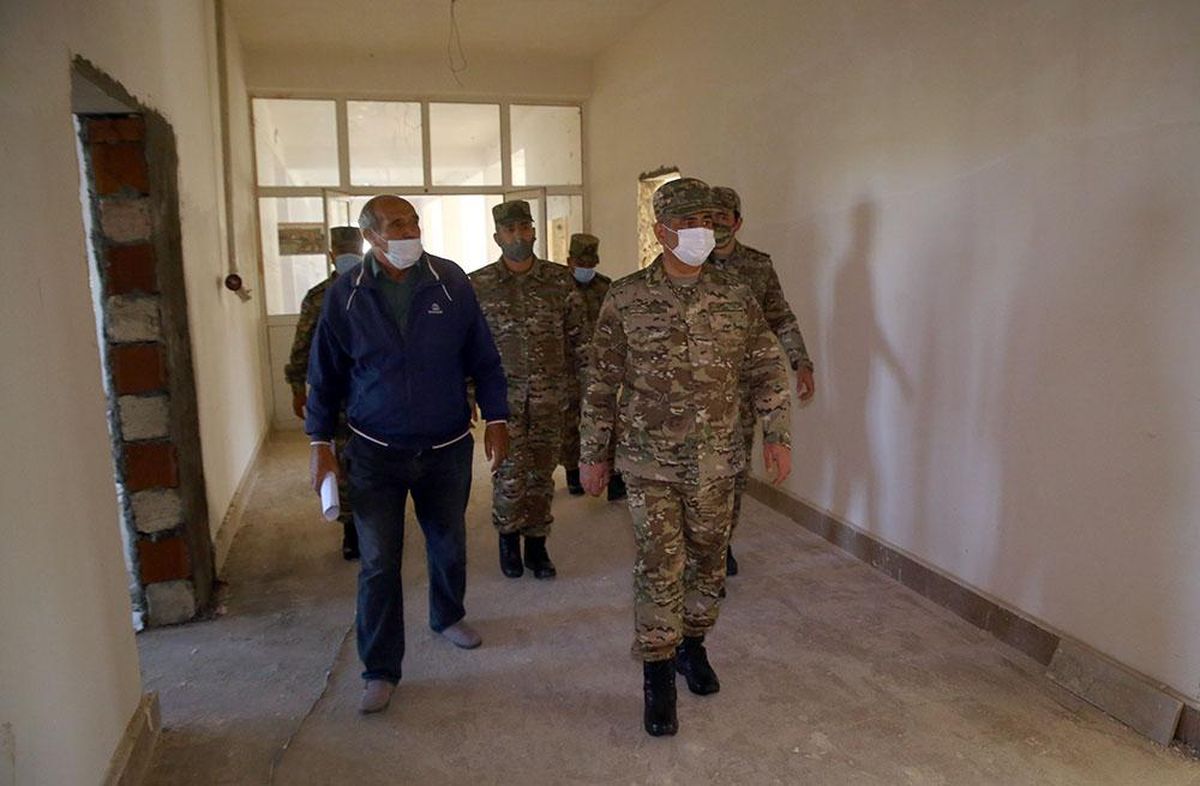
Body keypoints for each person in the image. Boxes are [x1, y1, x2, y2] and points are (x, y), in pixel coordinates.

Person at [578, 178, 792, 737]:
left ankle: (692, 646)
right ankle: (657, 675)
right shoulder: (625, 297)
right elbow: (600, 383)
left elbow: (766, 367)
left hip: (718, 462)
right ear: (662, 231)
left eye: (709, 222)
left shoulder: (736, 296)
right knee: (658, 564)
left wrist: (777, 434)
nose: (704, 232)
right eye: (690, 223)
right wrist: (592, 454)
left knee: (709, 563)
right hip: (648, 463)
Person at [306, 195, 510, 714]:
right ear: (370, 236)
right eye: (397, 224)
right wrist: (319, 444)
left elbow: (483, 356)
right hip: (375, 451)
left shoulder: (449, 280)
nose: (410, 231)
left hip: (446, 447)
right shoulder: (346, 293)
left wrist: (498, 417)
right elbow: (324, 376)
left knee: (449, 542)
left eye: (414, 221)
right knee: (378, 562)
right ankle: (380, 668)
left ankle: (448, 615)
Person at [469, 201, 585, 580]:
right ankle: (507, 539)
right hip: (503, 403)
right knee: (509, 474)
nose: (518, 236)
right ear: (497, 237)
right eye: (510, 230)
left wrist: (589, 392)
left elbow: (580, 339)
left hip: (552, 398)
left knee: (541, 475)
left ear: (534, 231)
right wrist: (467, 394)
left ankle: (537, 544)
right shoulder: (479, 284)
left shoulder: (559, 280)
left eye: (524, 227)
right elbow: (466, 345)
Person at [710, 185, 815, 578]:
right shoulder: (690, 266)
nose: (715, 225)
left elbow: (780, 318)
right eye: (709, 218)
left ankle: (721, 543)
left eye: (722, 218)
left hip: (742, 390)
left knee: (735, 471)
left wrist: (801, 361)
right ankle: (701, 549)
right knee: (698, 474)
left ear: (737, 222)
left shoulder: (757, 266)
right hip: (696, 392)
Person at [284, 226, 364, 560]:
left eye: (352, 250)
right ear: (331, 255)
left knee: (376, 461)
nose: (347, 256)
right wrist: (297, 388)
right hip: (336, 394)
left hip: (373, 393)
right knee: (341, 461)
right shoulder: (318, 297)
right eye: (342, 251)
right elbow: (302, 345)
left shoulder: (375, 289)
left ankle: (374, 523)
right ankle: (351, 529)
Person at [560, 233, 625, 501]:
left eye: (591, 263)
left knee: (608, 420)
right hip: (568, 367)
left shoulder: (605, 287)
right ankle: (572, 470)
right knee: (570, 421)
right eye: (581, 262)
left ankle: (615, 476)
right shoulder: (559, 287)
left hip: (600, 367)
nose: (587, 267)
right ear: (570, 261)